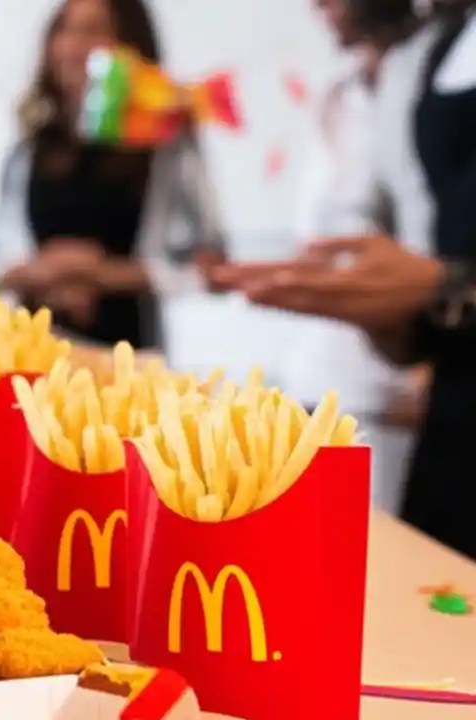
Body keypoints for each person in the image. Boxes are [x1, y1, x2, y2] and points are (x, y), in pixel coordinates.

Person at [214, 1, 476, 559]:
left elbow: (436, 260)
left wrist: (442, 291)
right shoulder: (439, 52)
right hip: (443, 427)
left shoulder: (423, 62)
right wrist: (402, 324)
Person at [0, 0, 225, 348]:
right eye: (64, 30)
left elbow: (209, 267)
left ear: (131, 46)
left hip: (133, 357)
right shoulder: (28, 150)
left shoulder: (166, 148)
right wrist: (45, 273)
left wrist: (103, 274)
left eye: (93, 31)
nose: (72, 47)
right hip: (36, 352)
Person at [280, 0, 422, 513]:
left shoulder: (433, 77)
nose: (317, 5)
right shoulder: (337, 92)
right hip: (318, 372)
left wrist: (421, 371)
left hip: (397, 387)